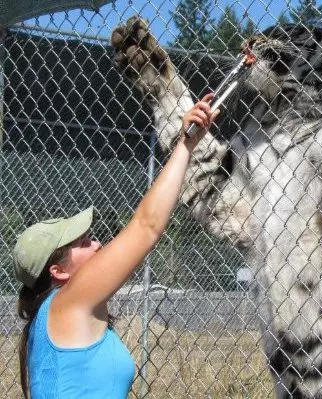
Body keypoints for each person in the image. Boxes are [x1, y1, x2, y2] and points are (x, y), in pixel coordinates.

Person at [14, 94, 220, 399]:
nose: (97, 243)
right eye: (83, 243)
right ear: (57, 271)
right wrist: (185, 145)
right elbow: (146, 226)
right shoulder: (68, 301)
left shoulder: (49, 319)